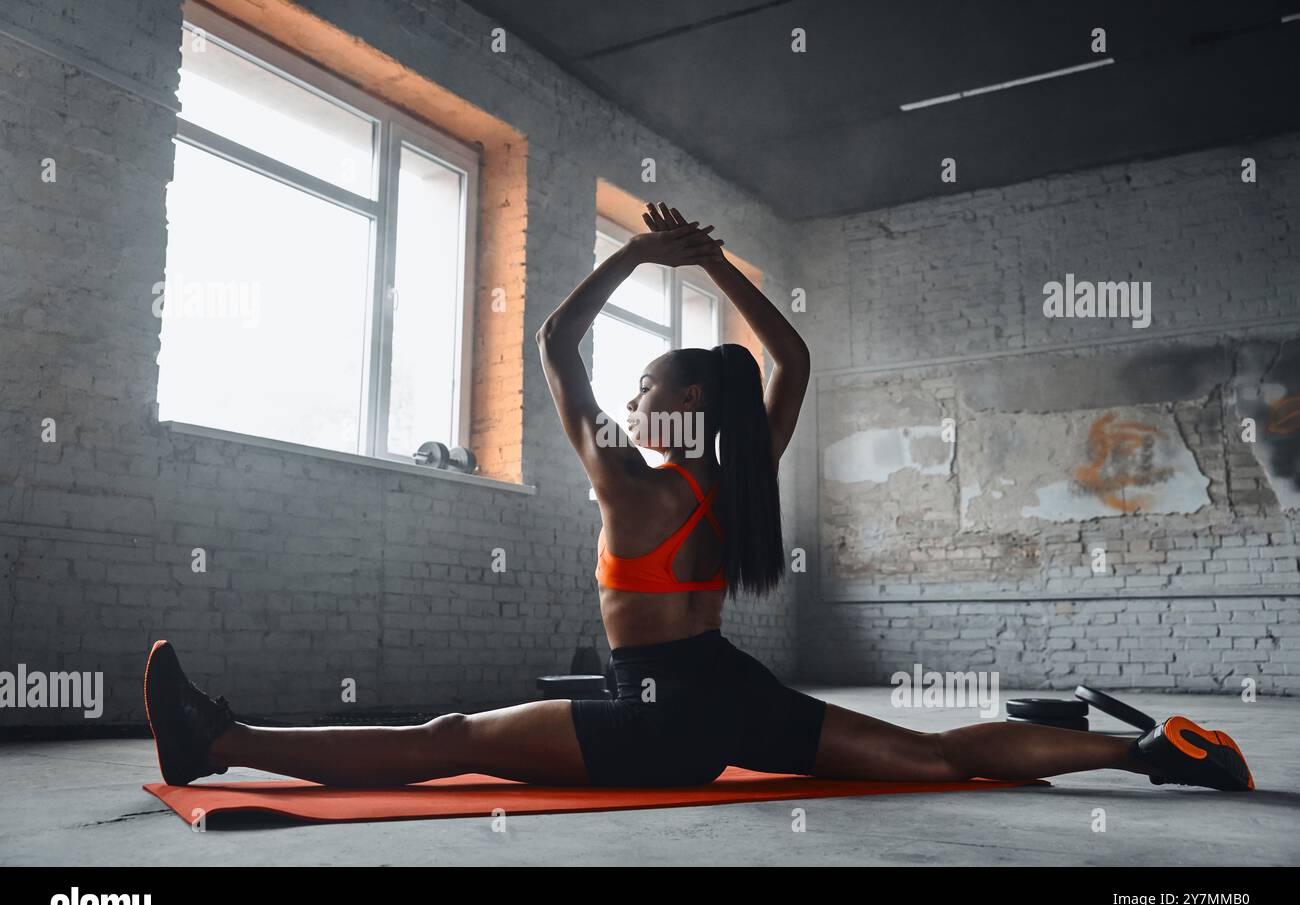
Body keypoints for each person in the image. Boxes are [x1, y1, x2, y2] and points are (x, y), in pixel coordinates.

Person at [143, 202, 1253, 793]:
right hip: (725, 689)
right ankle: (1155, 754)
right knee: (931, 758)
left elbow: (552, 342)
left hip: (656, 717)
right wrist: (712, 266)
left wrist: (641, 253)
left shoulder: (628, 481)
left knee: (448, 735)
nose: (626, 394)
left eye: (646, 383)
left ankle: (222, 741)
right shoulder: (741, 474)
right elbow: (791, 364)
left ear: (682, 404)